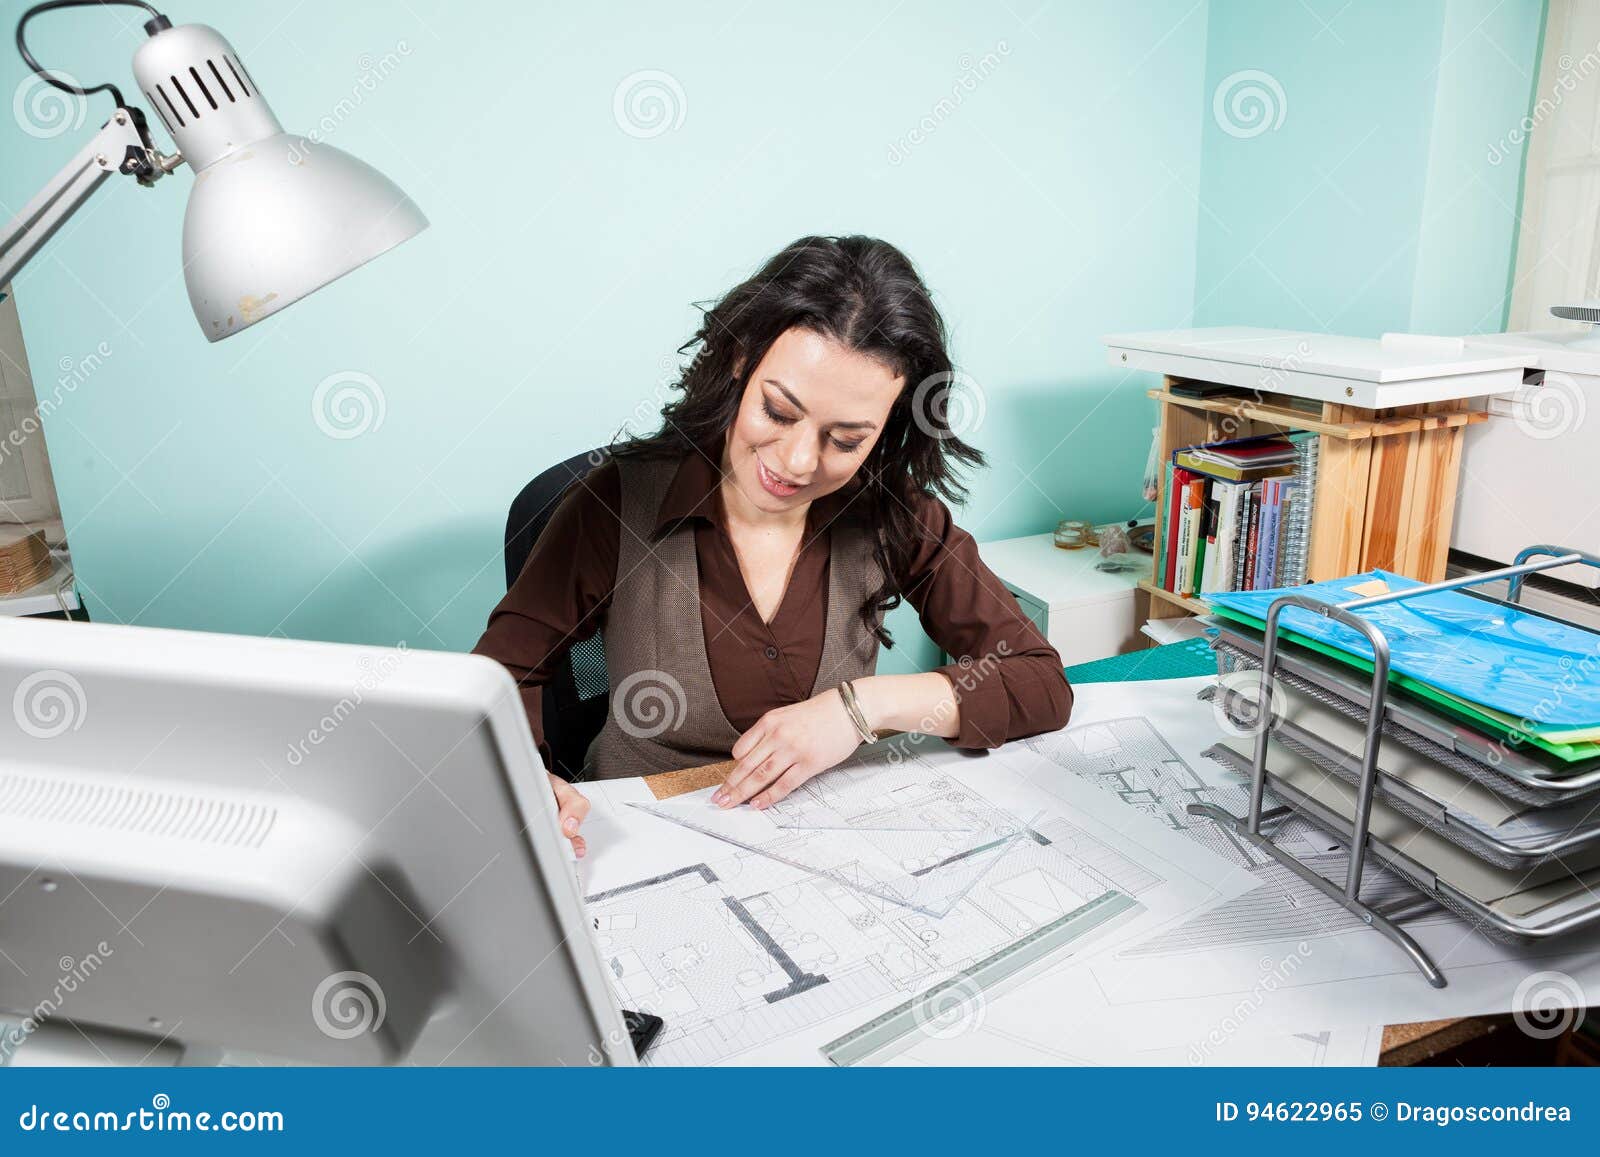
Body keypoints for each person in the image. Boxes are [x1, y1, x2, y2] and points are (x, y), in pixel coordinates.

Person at [474, 235, 1072, 857]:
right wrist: (523, 778)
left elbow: (1040, 682)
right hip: (639, 844)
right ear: (740, 362)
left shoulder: (895, 514)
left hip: (824, 844)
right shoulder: (618, 500)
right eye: (778, 412)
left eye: (845, 441)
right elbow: (492, 681)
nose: (795, 463)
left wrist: (860, 708)